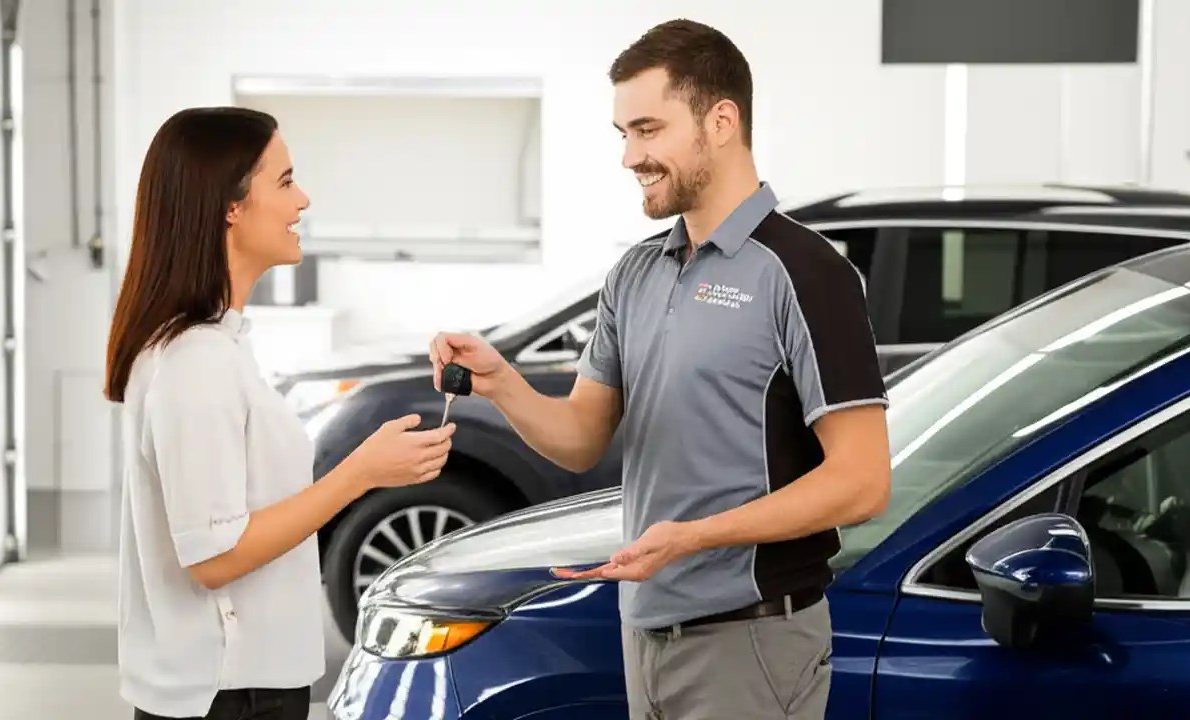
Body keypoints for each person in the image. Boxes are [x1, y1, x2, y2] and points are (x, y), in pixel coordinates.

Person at [429, 19, 891, 720]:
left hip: (752, 638)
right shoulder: (636, 272)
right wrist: (503, 383)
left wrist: (696, 536)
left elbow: (862, 481)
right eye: (623, 134)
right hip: (644, 631)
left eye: (648, 130)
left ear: (721, 121)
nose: (630, 157)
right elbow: (582, 435)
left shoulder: (805, 273)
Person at [104, 106, 457, 720]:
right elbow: (214, 557)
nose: (303, 199)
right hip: (226, 693)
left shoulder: (218, 344)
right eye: (286, 181)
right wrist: (359, 473)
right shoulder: (195, 359)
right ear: (230, 206)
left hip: (244, 684)